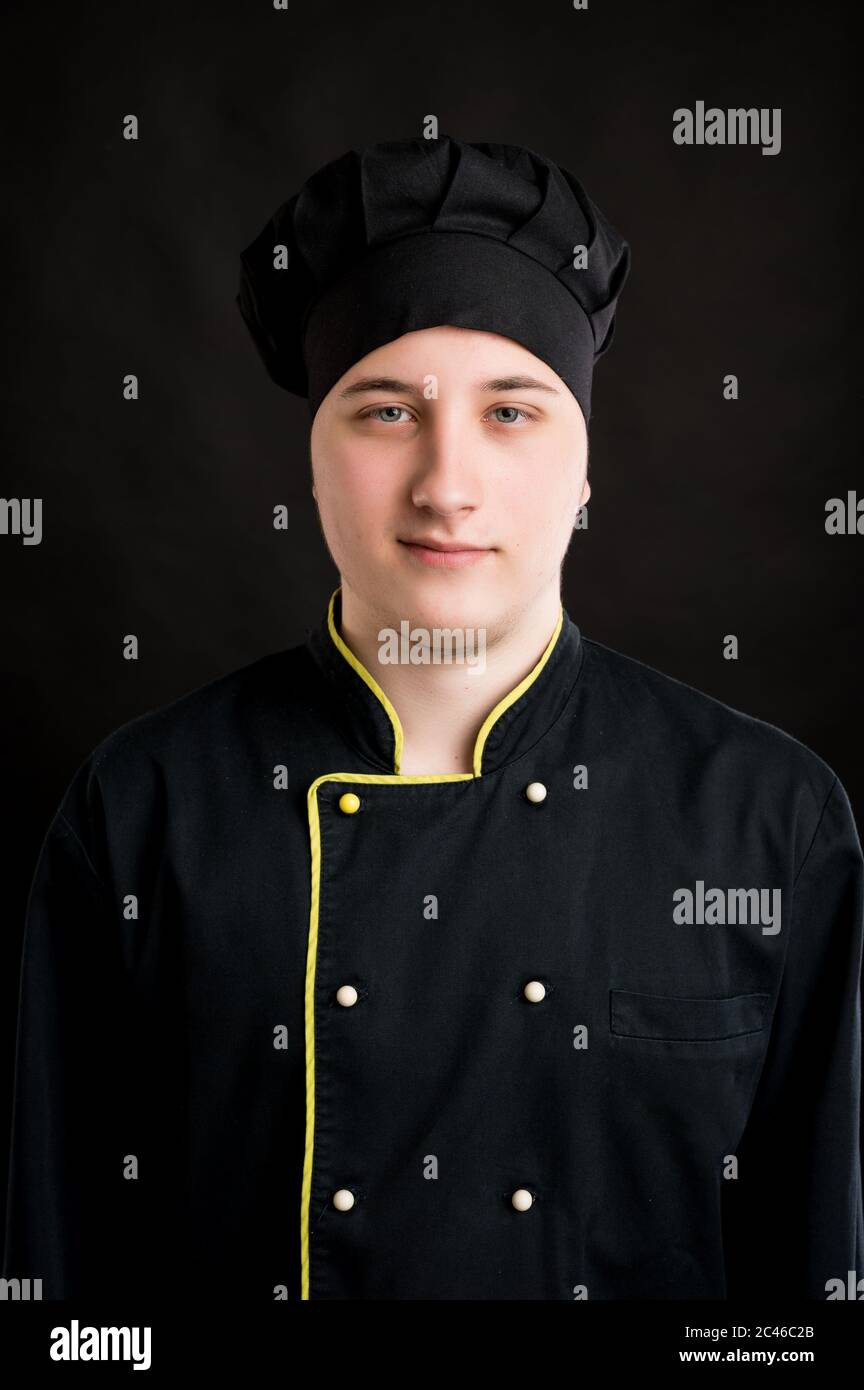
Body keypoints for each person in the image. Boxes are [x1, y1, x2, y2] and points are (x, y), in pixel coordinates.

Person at [3, 136, 862, 1302]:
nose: (446, 483)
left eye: (513, 412)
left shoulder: (771, 819)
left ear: (587, 469)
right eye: (385, 410)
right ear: (312, 461)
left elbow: (812, 1290)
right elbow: (64, 1295)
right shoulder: (141, 808)